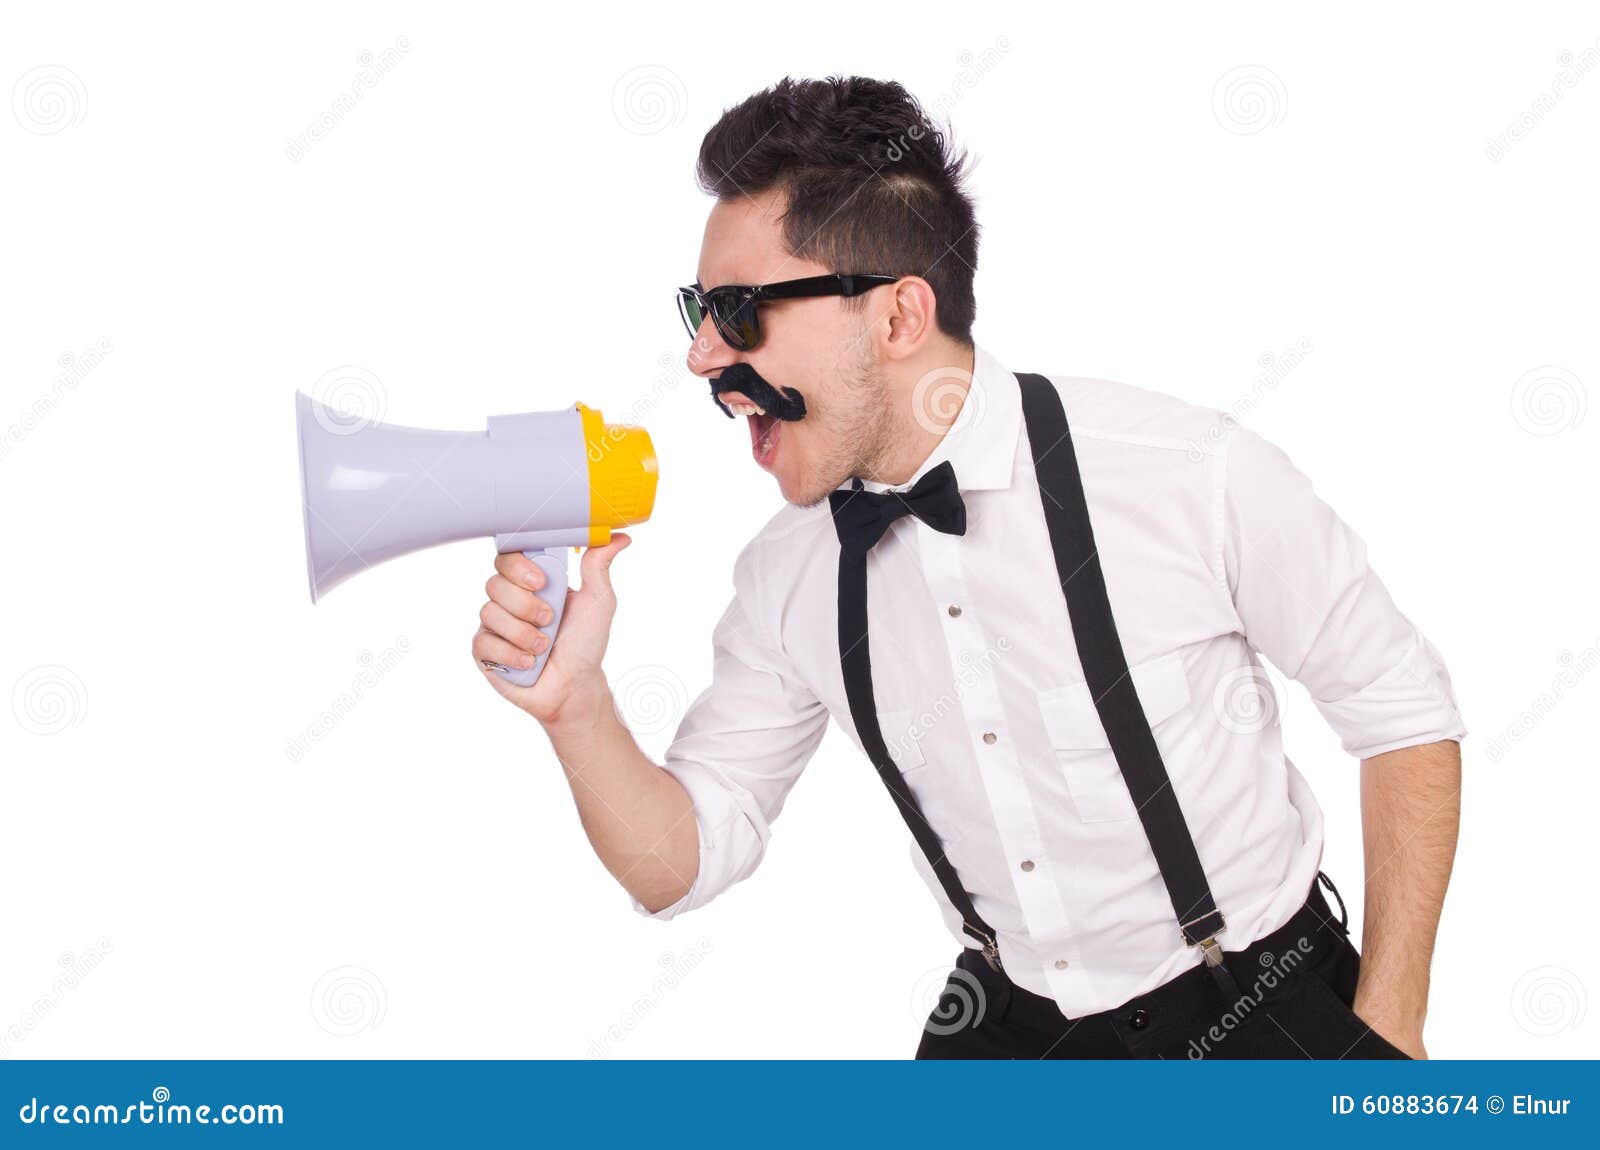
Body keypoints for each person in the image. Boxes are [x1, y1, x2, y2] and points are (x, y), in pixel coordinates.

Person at [471, 76, 1464, 1059]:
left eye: (737, 310)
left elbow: (1400, 708)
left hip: (1261, 999)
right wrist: (576, 704)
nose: (698, 357)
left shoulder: (1189, 476)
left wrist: (1388, 1024)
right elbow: (678, 864)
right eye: (698, 308)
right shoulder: (787, 575)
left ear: (899, 317)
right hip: (1009, 1024)